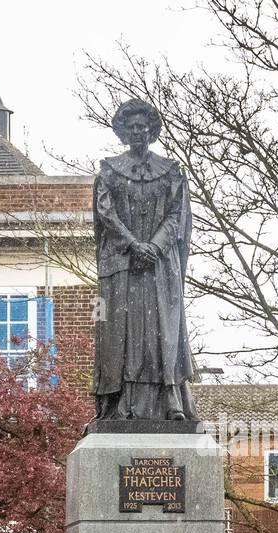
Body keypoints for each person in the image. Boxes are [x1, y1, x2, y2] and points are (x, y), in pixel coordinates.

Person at [91, 98, 198, 422]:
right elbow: (105, 214)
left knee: (161, 332)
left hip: (160, 265)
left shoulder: (170, 173)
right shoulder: (109, 172)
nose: (138, 131)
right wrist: (133, 245)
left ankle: (169, 400)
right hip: (122, 264)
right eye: (131, 126)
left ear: (151, 131)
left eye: (143, 126)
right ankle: (121, 404)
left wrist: (154, 245)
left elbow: (177, 215)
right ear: (123, 131)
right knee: (121, 335)